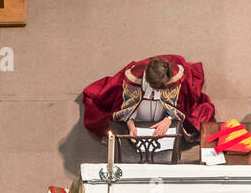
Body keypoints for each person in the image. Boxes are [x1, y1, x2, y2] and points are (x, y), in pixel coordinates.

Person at [81, 55, 216, 143]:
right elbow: (126, 105)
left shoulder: (178, 81)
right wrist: (130, 123)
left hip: (164, 131)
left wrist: (168, 120)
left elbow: (180, 106)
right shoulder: (131, 80)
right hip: (139, 127)